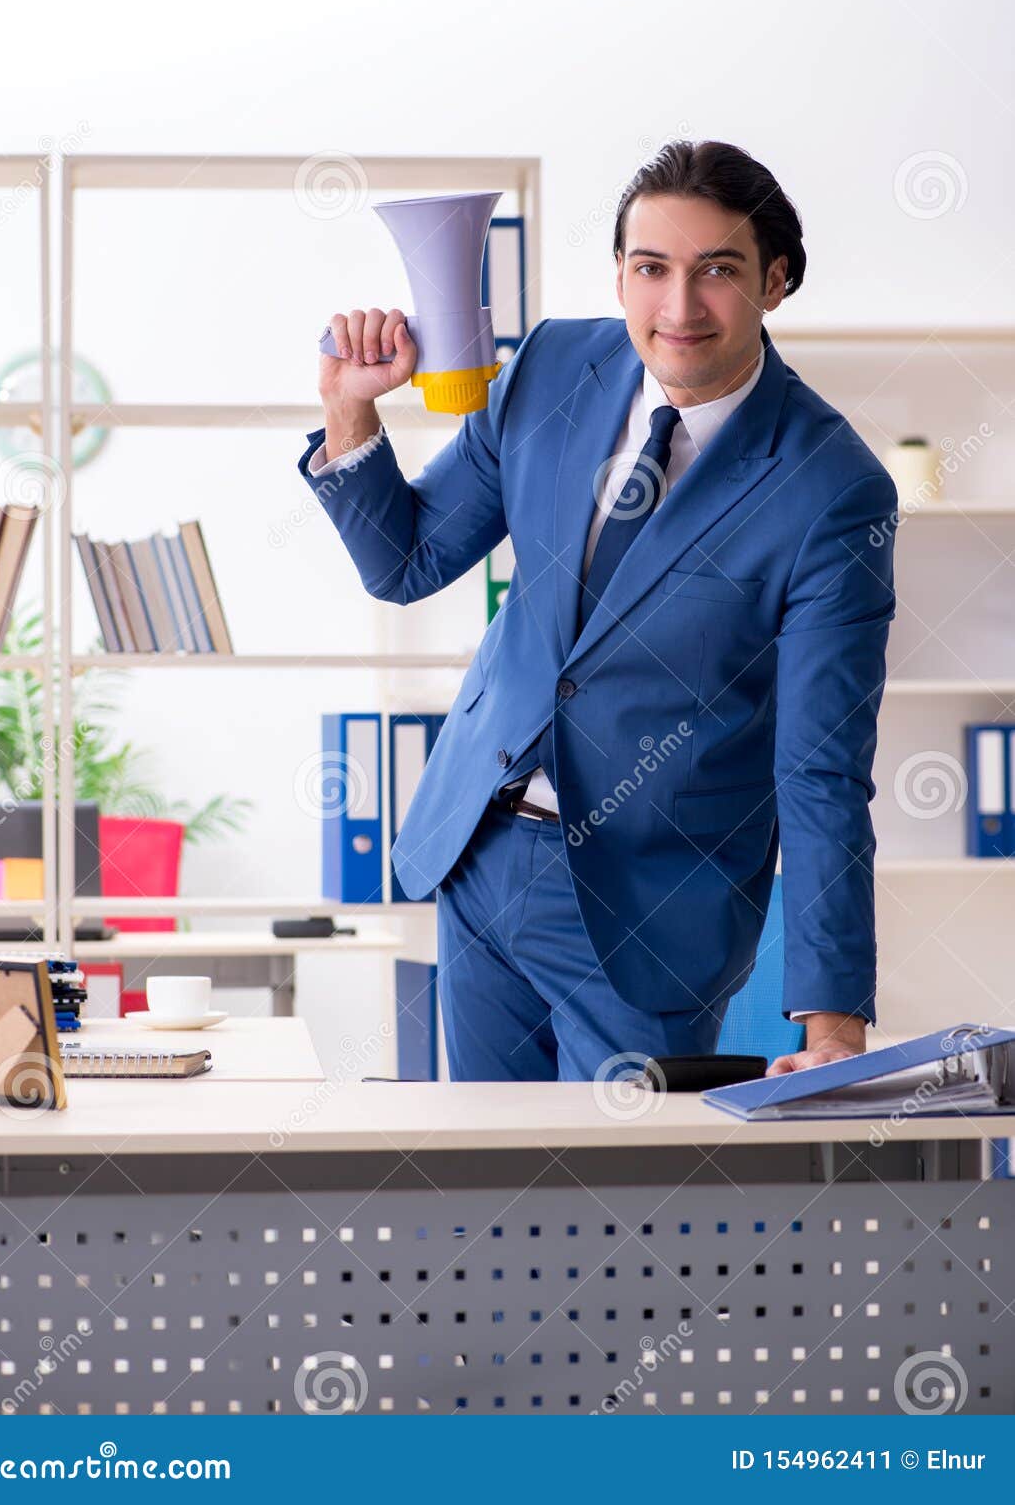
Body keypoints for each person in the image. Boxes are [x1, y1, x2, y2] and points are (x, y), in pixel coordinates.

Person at [298, 140, 898, 1083]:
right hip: (478, 855)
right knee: (489, 1201)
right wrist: (350, 414)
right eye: (651, 268)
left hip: (645, 915)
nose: (679, 307)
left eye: (720, 272)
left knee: (621, 1215)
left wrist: (831, 1029)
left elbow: (821, 768)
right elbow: (408, 562)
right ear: (619, 272)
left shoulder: (833, 489)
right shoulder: (549, 366)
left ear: (776, 281)